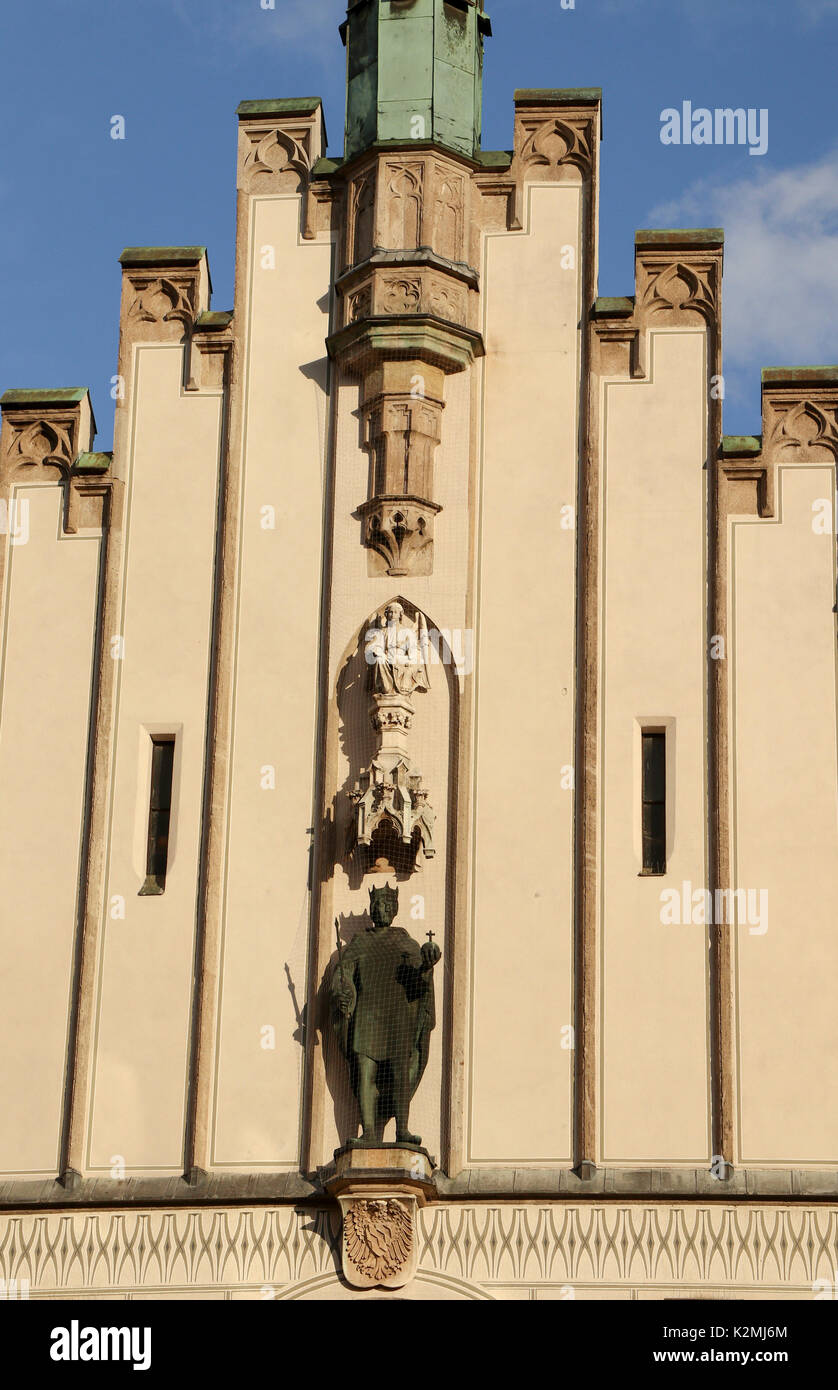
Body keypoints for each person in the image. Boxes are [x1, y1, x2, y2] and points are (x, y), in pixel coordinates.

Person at [332, 883, 440, 1146]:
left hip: (397, 1018)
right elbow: (343, 973)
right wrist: (342, 990)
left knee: (399, 1073)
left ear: (395, 910)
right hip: (367, 1016)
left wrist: (427, 965)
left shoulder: (407, 942)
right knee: (365, 1071)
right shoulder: (360, 942)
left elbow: (418, 982)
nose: (382, 909)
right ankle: (368, 1131)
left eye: (387, 905)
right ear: (371, 909)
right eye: (378, 904)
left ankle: (402, 1130)